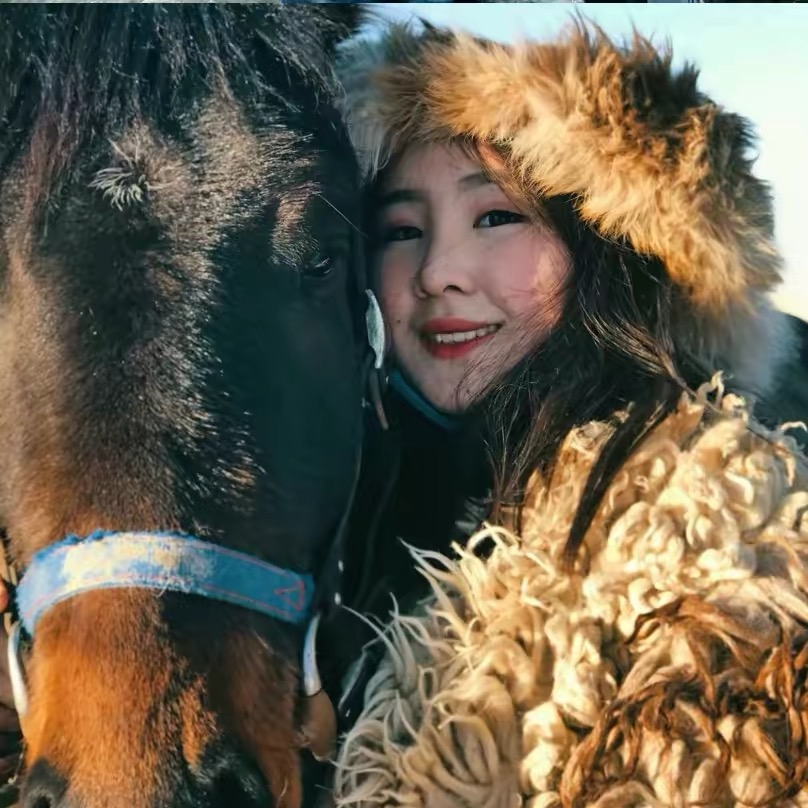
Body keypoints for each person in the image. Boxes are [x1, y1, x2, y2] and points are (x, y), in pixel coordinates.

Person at [328, 19, 808, 808]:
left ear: (606, 255)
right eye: (402, 230)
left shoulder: (723, 554)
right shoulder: (358, 520)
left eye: (497, 218)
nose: (439, 272)